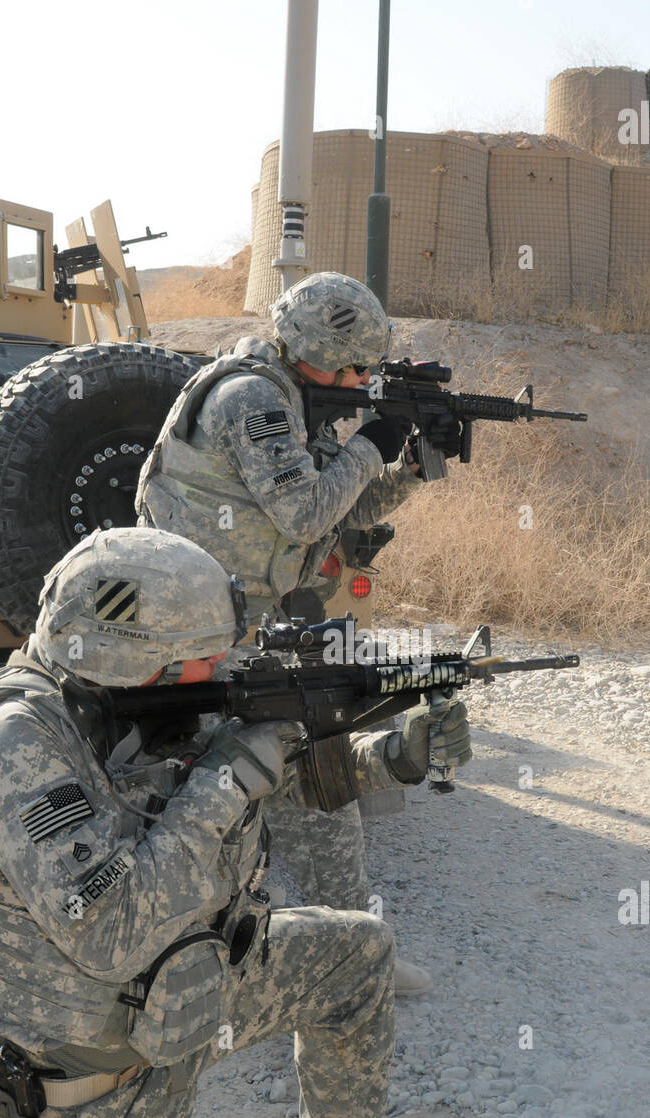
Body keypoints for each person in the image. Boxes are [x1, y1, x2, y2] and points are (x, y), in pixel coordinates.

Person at [0, 527, 472, 1118]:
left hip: (196, 986)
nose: (222, 665)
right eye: (201, 653)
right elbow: (116, 930)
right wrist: (225, 781)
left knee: (355, 956)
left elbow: (282, 777)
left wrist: (395, 756)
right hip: (91, 1073)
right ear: (129, 657)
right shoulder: (15, 745)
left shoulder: (134, 698)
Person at [135, 271, 462, 997]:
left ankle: (352, 951)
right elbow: (305, 514)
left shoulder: (290, 397)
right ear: (311, 348)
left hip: (243, 626)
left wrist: (410, 462)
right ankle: (161, 975)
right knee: (194, 802)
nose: (358, 378)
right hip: (192, 635)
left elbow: (346, 505)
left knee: (316, 781)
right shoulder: (251, 399)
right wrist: (372, 440)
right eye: (352, 366)